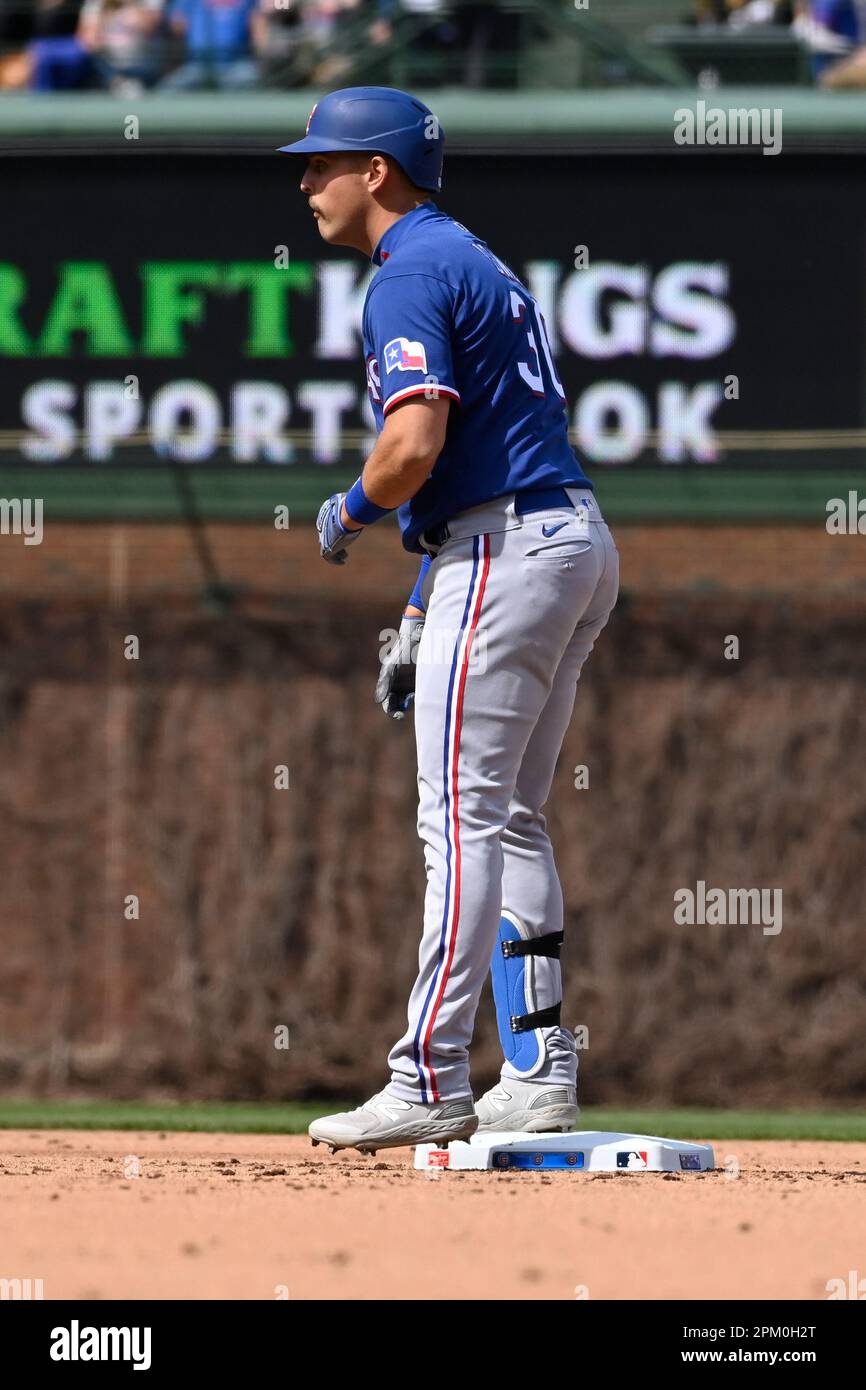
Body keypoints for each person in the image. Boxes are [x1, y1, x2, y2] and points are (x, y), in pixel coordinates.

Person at [280, 87, 619, 1154]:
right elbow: (478, 457)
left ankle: (427, 1070)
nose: (305, 182)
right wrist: (424, 602)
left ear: (375, 170)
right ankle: (535, 1071)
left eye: (320, 162)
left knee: (457, 822)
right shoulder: (471, 258)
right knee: (509, 818)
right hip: (564, 540)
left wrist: (345, 509)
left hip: (506, 551)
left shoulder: (409, 274)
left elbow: (413, 447)